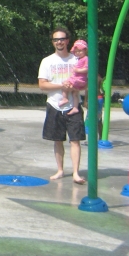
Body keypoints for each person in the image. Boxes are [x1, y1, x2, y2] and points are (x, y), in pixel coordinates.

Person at [38, 27, 86, 184]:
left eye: (62, 39)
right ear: (53, 42)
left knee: (75, 140)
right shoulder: (47, 61)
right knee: (57, 140)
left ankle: (76, 173)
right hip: (54, 104)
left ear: (67, 40)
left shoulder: (76, 60)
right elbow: (42, 85)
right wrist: (62, 85)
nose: (59, 42)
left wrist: (74, 88)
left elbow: (85, 82)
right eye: (56, 39)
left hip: (74, 105)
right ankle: (60, 170)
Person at [59, 39, 88, 116]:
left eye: (80, 51)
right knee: (75, 93)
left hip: (79, 79)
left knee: (65, 84)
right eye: (76, 51)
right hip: (77, 78)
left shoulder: (86, 58)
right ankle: (75, 107)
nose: (78, 53)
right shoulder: (79, 59)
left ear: (85, 50)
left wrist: (78, 70)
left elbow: (87, 69)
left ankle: (65, 98)